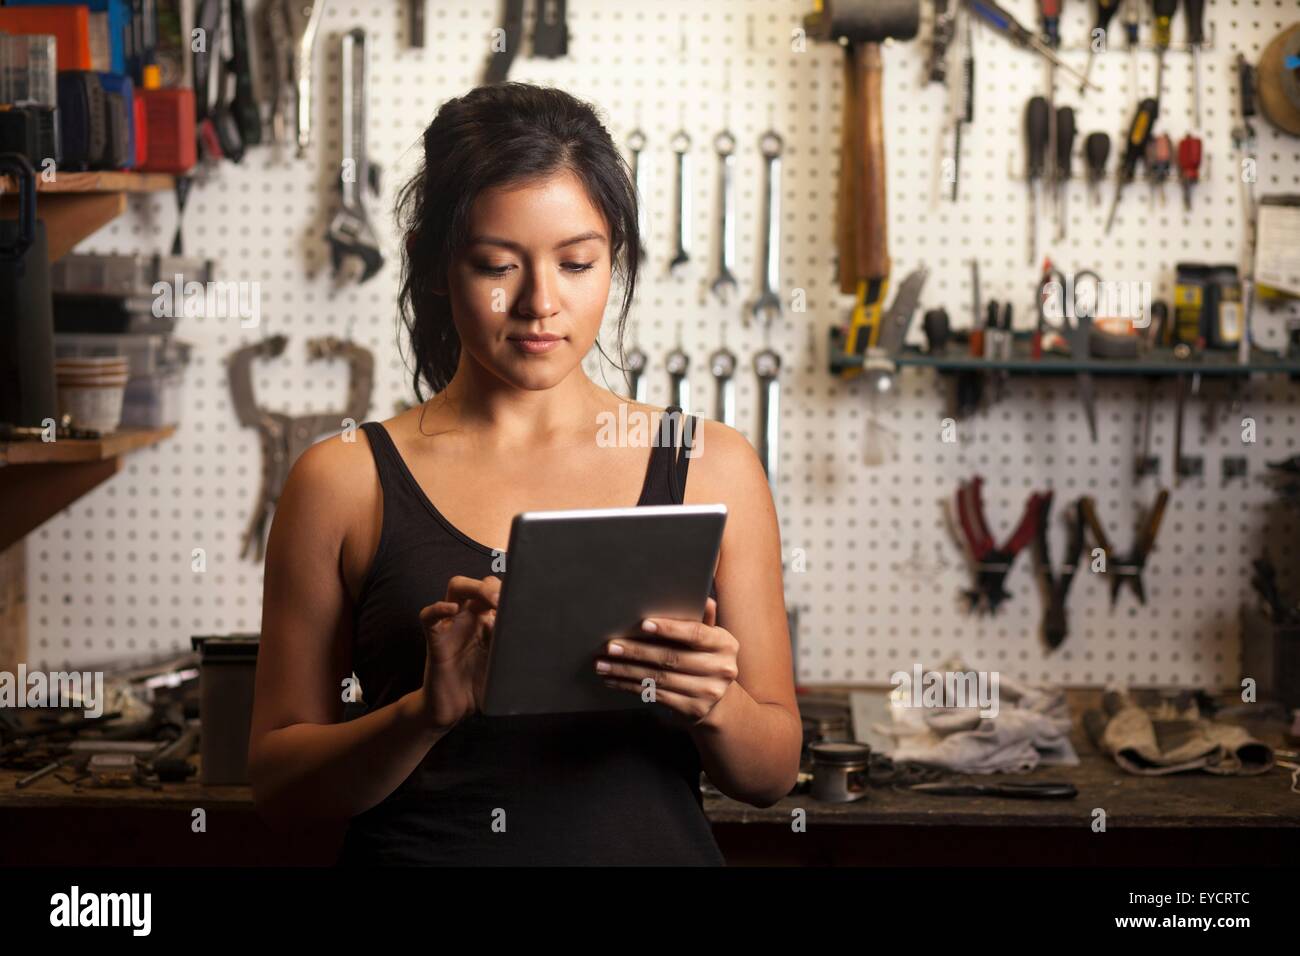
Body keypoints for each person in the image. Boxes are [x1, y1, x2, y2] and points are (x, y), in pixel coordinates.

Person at [247, 82, 801, 865]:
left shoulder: (712, 466)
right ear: (436, 267)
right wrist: (425, 714)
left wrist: (716, 704)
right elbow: (278, 785)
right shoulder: (343, 481)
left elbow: (771, 773)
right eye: (497, 265)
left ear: (615, 261)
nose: (541, 303)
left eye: (579, 262)